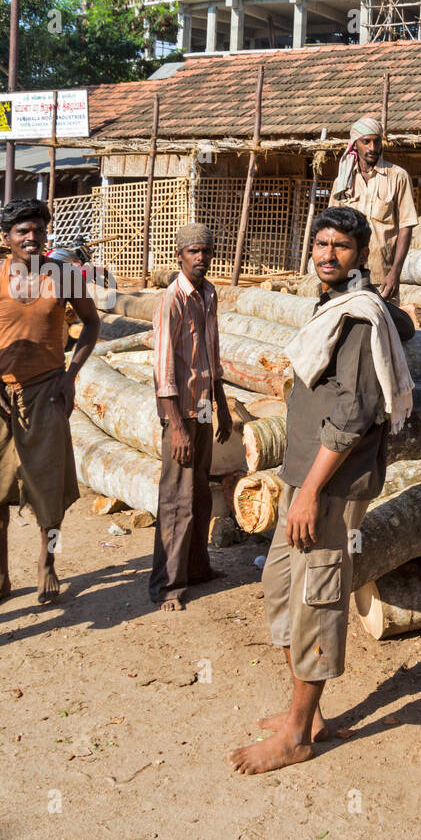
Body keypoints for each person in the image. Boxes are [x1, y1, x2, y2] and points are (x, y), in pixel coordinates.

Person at [229, 206, 415, 775]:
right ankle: (304, 716)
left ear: (362, 254)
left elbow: (354, 414)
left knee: (316, 600)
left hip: (329, 487)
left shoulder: (360, 318)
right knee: (282, 588)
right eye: (320, 244)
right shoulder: (335, 307)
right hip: (303, 479)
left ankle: (298, 737)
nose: (327, 254)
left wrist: (309, 493)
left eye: (340, 246)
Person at [0, 198, 101, 612]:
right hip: (0, 394)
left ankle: (46, 563)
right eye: (22, 231)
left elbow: (92, 324)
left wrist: (71, 376)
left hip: (48, 392)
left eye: (38, 229)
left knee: (49, 493)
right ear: (7, 238)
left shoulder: (64, 276)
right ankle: (0, 578)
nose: (32, 237)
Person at [150, 223, 232, 611]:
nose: (200, 258)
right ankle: (167, 585)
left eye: (205, 252)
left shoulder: (209, 294)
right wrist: (177, 427)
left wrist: (223, 406)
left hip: (202, 409)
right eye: (193, 252)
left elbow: (211, 358)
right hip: (180, 413)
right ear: (180, 256)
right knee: (177, 498)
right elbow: (164, 370)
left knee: (200, 495)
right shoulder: (172, 299)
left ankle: (198, 568)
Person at [327, 116, 418, 302]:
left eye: (376, 141)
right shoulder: (342, 182)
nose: (372, 148)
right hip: (346, 275)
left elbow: (406, 227)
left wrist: (395, 272)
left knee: (385, 327)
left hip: (381, 278)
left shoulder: (397, 177)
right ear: (355, 145)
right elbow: (331, 231)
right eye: (366, 142)